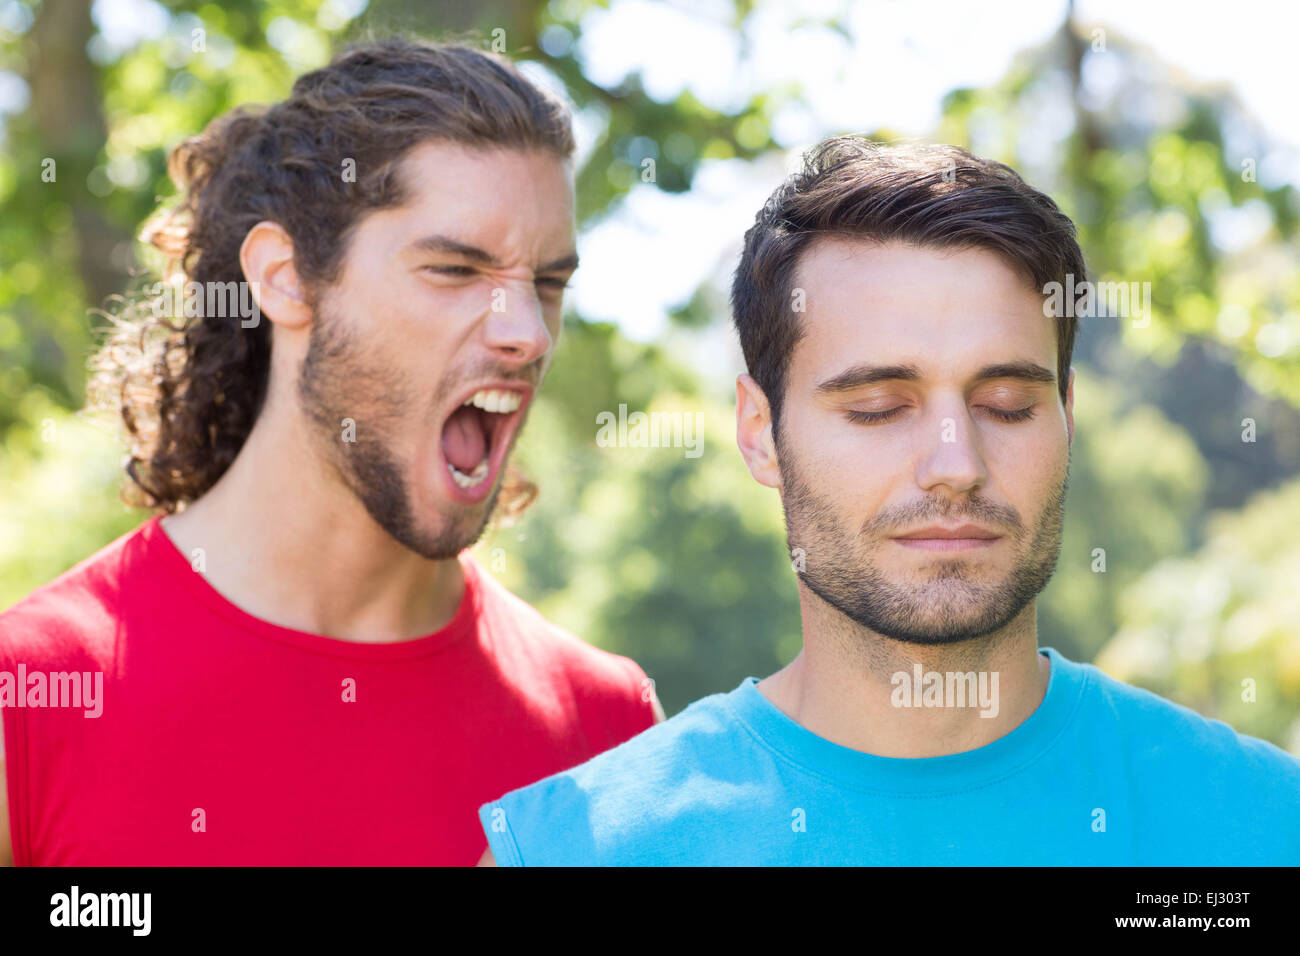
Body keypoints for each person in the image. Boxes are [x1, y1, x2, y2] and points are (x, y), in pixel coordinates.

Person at [476, 137, 1300, 865]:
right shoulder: (576, 850)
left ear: (1067, 416)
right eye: (877, 408)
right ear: (760, 433)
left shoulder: (1264, 824)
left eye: (1007, 404)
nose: (956, 465)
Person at [0, 37, 662, 866]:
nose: (528, 334)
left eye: (549, 285)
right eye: (456, 270)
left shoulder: (610, 733)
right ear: (285, 277)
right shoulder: (32, 693)